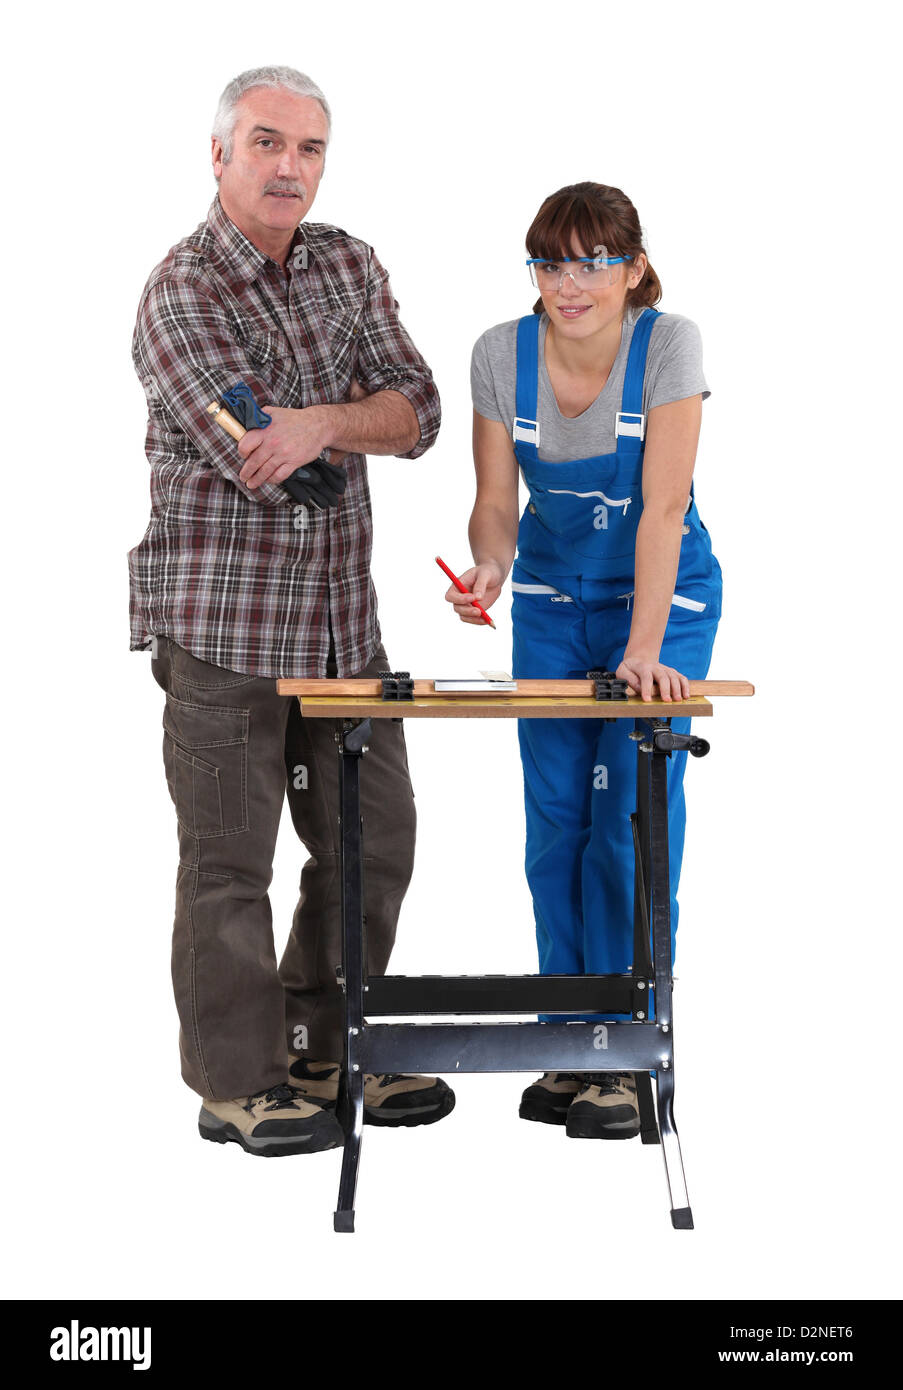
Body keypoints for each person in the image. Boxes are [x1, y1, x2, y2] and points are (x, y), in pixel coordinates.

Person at [130, 65, 454, 1157]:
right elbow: (263, 457)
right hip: (224, 629)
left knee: (374, 843)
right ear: (220, 154)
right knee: (229, 865)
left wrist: (322, 422)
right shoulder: (181, 292)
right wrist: (331, 429)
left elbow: (420, 410)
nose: (288, 167)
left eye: (309, 149)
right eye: (266, 143)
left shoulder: (349, 263)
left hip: (340, 627)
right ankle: (238, 1081)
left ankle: (327, 1044)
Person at [446, 182, 721, 1141]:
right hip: (552, 605)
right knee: (554, 824)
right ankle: (568, 1037)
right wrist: (487, 566)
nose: (570, 283)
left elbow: (660, 509)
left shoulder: (668, 344)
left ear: (632, 268)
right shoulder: (498, 354)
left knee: (624, 820)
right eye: (550, 262)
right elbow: (493, 499)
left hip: (659, 601)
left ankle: (627, 1042)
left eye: (593, 261)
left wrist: (644, 650)